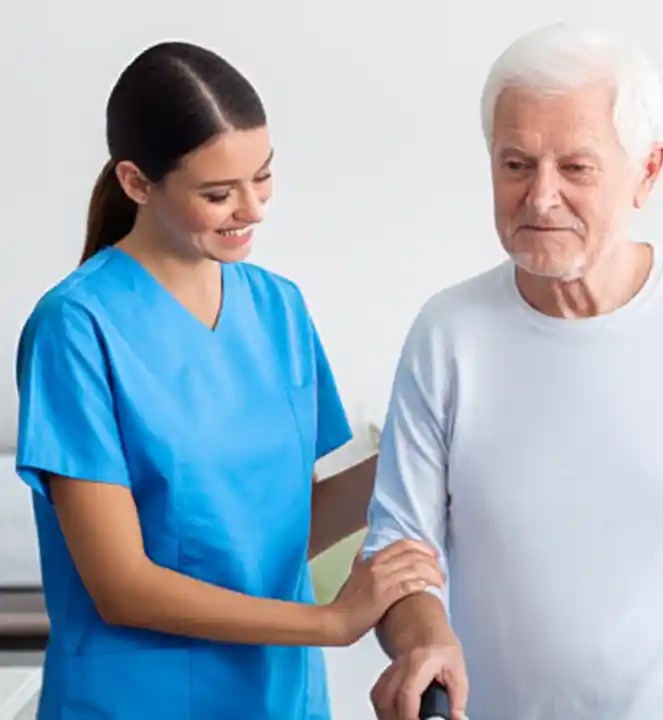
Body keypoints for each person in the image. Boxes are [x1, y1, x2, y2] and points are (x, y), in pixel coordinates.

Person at [12, 41, 450, 719]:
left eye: (263, 178)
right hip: (137, 702)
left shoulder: (278, 308)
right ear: (136, 183)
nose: (252, 209)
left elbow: (276, 528)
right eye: (218, 194)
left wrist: (422, 455)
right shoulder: (76, 328)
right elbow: (120, 586)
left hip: (278, 697)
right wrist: (333, 622)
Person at [360, 24, 663, 720]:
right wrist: (424, 637)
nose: (539, 197)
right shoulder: (448, 333)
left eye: (576, 168)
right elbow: (400, 545)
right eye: (515, 165)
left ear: (647, 172)